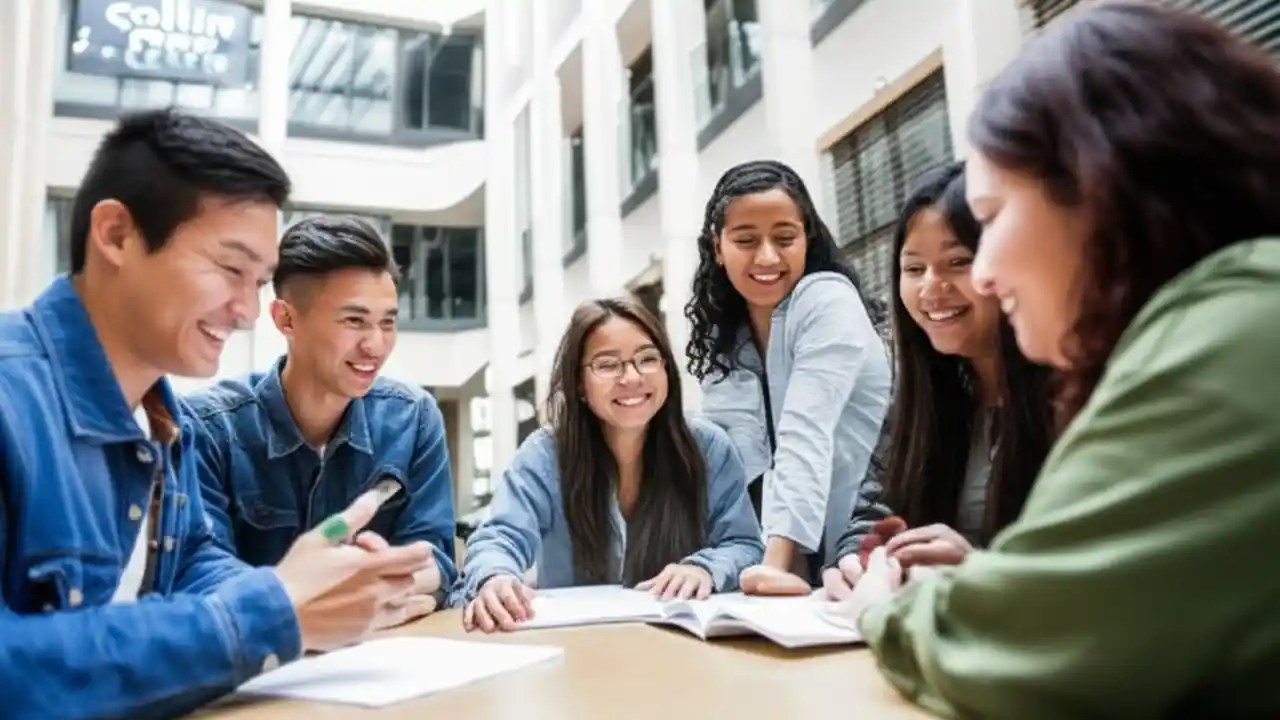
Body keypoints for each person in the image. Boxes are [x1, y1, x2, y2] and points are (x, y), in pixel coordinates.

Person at [827, 4, 1280, 717]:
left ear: (1100, 187)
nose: (980, 276)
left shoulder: (1231, 335)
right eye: (914, 267)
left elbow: (1021, 651)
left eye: (993, 217)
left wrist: (880, 610)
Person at [0, 109, 431, 719]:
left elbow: (193, 562)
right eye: (231, 269)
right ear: (117, 235)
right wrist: (268, 612)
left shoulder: (163, 423)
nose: (248, 312)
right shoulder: (11, 395)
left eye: (259, 282)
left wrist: (312, 592)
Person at [188, 215, 457, 624]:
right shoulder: (209, 428)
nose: (376, 345)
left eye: (388, 321)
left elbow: (436, 557)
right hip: (256, 668)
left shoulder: (413, 418)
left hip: (386, 658)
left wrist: (392, 577)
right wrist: (318, 599)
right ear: (286, 320)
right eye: (354, 320)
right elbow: (199, 575)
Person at [457, 298, 764, 633]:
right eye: (607, 365)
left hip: (681, 647)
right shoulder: (546, 454)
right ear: (579, 383)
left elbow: (744, 544)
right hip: (579, 649)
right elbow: (499, 537)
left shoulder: (708, 448)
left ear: (666, 370)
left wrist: (704, 568)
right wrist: (495, 577)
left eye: (647, 359)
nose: (631, 377)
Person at [820, 163, 1053, 599]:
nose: (932, 287)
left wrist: (978, 569)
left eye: (958, 262)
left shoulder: (1070, 395)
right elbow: (874, 515)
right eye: (913, 269)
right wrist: (856, 560)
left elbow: (1101, 560)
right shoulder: (921, 401)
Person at [686, 159, 891, 593]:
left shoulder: (827, 302)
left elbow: (805, 432)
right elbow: (739, 468)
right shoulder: (729, 341)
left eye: (784, 238)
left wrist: (778, 565)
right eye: (745, 239)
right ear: (717, 247)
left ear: (807, 239)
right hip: (792, 570)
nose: (767, 257)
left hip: (868, 542)